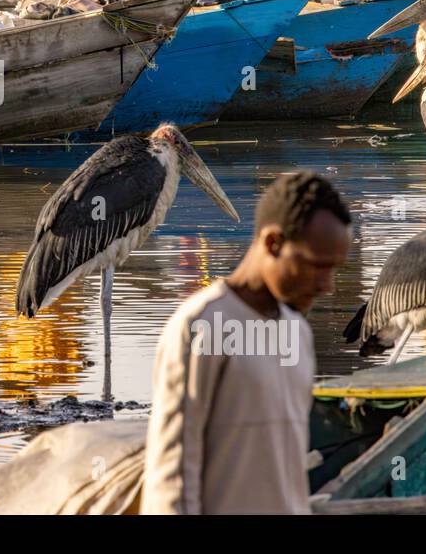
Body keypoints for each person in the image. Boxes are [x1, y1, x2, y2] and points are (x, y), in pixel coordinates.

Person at [141, 172, 352, 515]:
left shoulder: (297, 331)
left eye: (334, 269)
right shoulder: (202, 326)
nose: (327, 285)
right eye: (317, 266)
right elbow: (173, 476)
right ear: (272, 244)